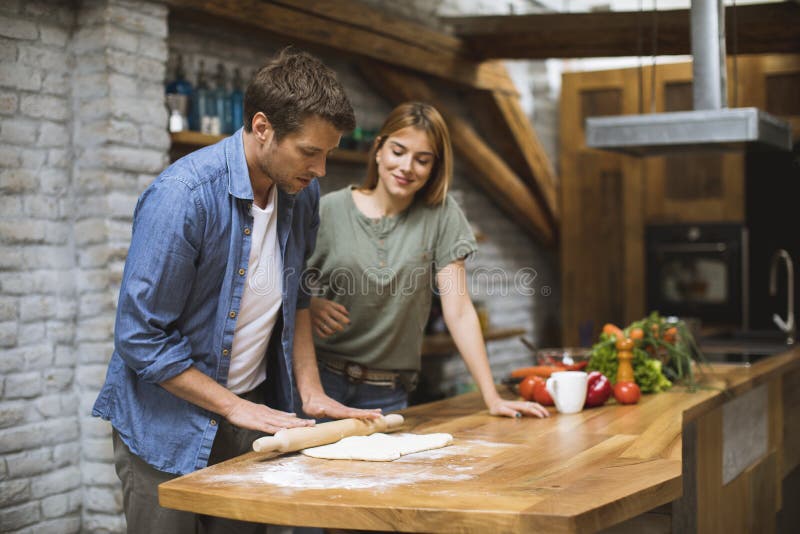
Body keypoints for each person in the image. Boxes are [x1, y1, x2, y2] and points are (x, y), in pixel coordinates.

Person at [92, 49, 379, 534]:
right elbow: (140, 339)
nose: (322, 169)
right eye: (310, 151)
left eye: (328, 153)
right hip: (167, 428)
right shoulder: (183, 197)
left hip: (249, 420)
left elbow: (297, 299)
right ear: (263, 127)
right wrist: (233, 405)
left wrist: (310, 392)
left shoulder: (300, 191)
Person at [306, 102, 550, 419]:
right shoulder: (329, 210)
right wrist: (309, 303)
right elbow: (281, 285)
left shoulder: (441, 215)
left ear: (434, 167)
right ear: (378, 149)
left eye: (422, 160)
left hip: (387, 392)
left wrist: (492, 398)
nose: (407, 167)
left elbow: (459, 310)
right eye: (398, 151)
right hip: (321, 384)